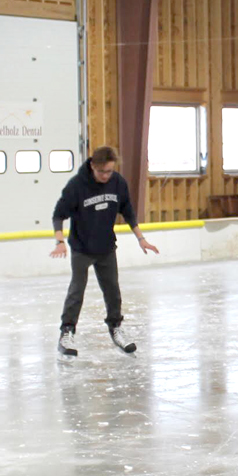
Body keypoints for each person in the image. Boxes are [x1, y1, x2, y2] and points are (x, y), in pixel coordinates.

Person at [51, 144, 159, 357]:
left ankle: (116, 328)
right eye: (102, 172)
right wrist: (59, 242)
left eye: (109, 171)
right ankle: (67, 331)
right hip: (82, 247)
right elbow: (58, 214)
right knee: (77, 290)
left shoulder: (118, 183)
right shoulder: (77, 186)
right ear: (92, 166)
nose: (105, 176)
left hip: (106, 247)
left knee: (112, 290)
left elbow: (128, 211)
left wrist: (141, 239)